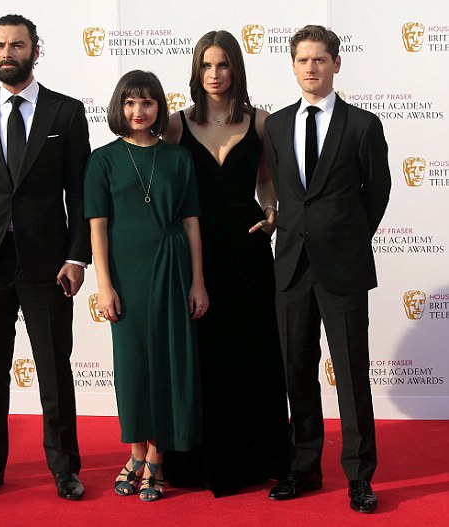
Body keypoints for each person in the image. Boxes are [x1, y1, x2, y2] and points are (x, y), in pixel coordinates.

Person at [0, 14, 90, 500]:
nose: (7, 53)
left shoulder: (66, 113)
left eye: (16, 45)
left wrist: (78, 257)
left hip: (48, 263)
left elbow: (80, 192)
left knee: (54, 370)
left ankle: (64, 468)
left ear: (36, 49)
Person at [264, 25, 391, 513]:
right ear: (292, 66)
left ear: (337, 64)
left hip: (343, 266)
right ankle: (304, 466)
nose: (311, 68)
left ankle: (360, 476)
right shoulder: (275, 126)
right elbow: (281, 190)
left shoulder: (363, 125)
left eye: (320, 59)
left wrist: (348, 238)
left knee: (352, 373)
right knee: (296, 371)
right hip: (291, 265)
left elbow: (376, 194)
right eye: (303, 60)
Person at [161, 30, 290, 497]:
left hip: (248, 250)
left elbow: (268, 184)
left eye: (223, 65)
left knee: (253, 351)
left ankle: (258, 456)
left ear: (236, 69)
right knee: (203, 356)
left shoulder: (261, 123)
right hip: (197, 254)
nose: (214, 75)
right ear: (196, 71)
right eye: (206, 66)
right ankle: (197, 461)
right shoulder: (176, 125)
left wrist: (273, 214)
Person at [84, 70, 208, 501]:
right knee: (133, 365)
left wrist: (198, 282)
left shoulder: (179, 158)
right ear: (120, 106)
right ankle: (135, 452)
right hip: (126, 275)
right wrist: (104, 285)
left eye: (148, 103)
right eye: (131, 103)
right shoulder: (102, 159)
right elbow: (97, 228)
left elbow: (192, 223)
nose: (139, 111)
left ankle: (156, 458)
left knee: (169, 365)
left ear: (160, 108)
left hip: (173, 269)